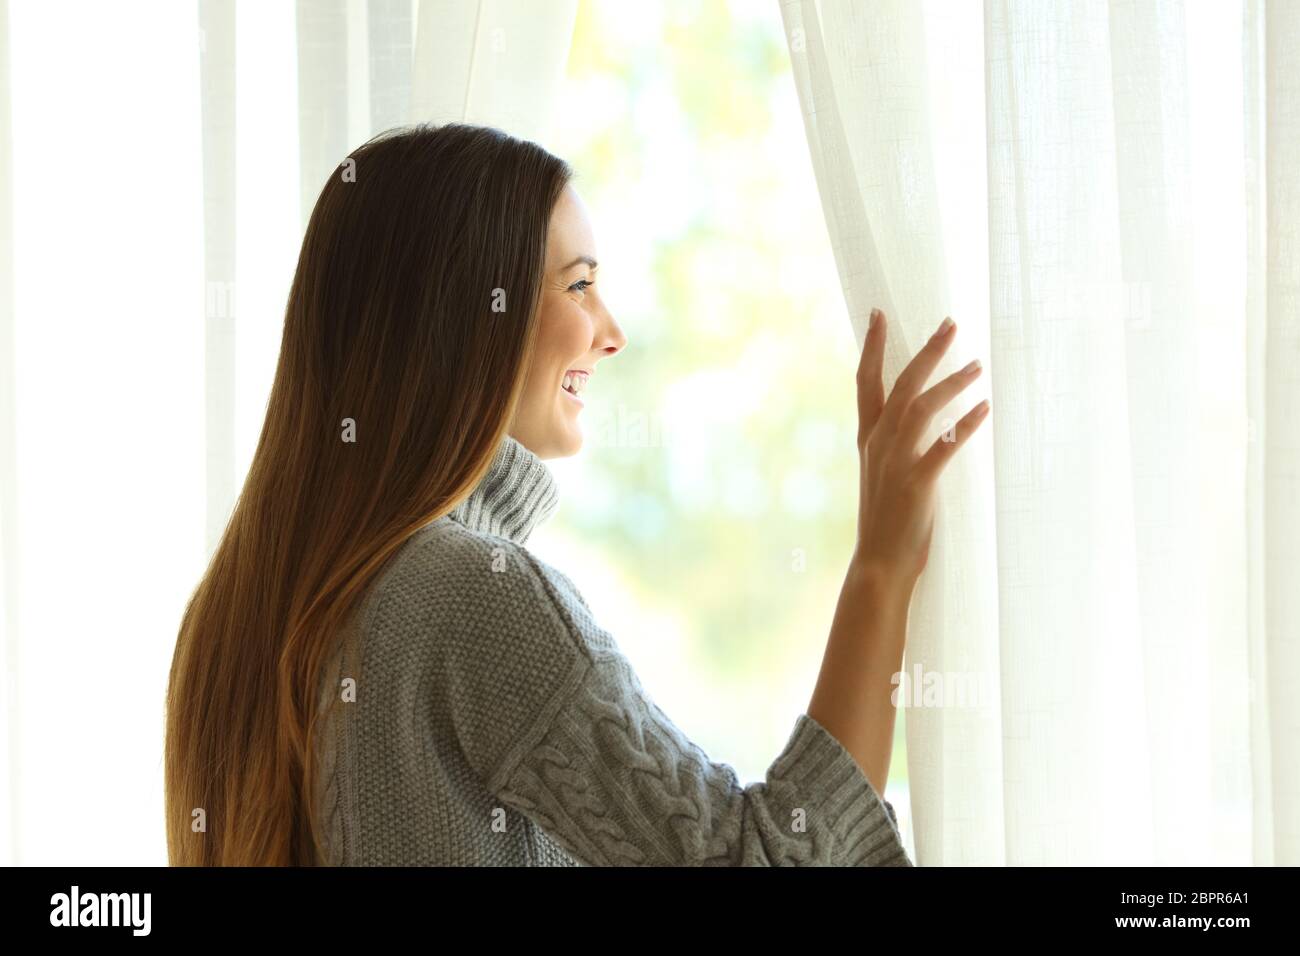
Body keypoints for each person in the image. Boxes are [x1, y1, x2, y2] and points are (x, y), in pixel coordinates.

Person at [164, 122, 987, 866]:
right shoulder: (471, 597)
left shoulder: (233, 618)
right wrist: (880, 566)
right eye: (580, 284)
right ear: (466, 312)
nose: (612, 330)